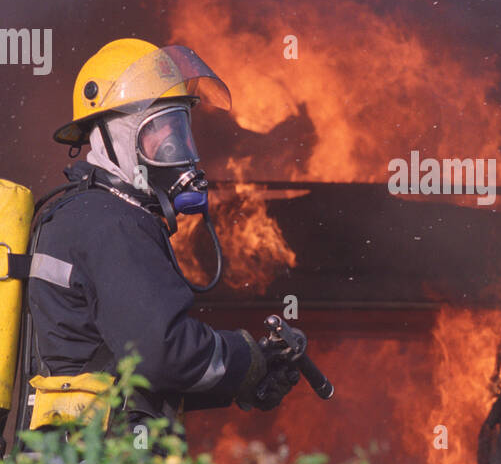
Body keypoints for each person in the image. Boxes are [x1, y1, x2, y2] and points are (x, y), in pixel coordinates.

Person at [23, 38, 300, 437]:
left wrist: (248, 375)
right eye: (159, 130)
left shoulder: (87, 215)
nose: (177, 148)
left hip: (85, 459)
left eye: (180, 130)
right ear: (111, 136)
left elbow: (127, 365)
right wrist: (246, 359)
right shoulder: (109, 223)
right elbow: (163, 353)